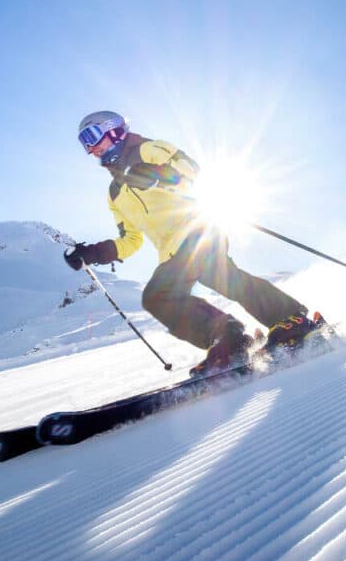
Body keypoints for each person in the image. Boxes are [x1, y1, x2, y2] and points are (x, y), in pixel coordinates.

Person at [63, 111, 318, 375]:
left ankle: (276, 323)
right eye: (84, 143)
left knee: (161, 294)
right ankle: (238, 337)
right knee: (215, 282)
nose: (90, 148)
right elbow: (131, 240)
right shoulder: (114, 194)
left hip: (200, 229)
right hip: (173, 252)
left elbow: (191, 172)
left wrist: (158, 173)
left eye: (91, 137)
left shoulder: (149, 149)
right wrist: (92, 253)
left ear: (113, 129)